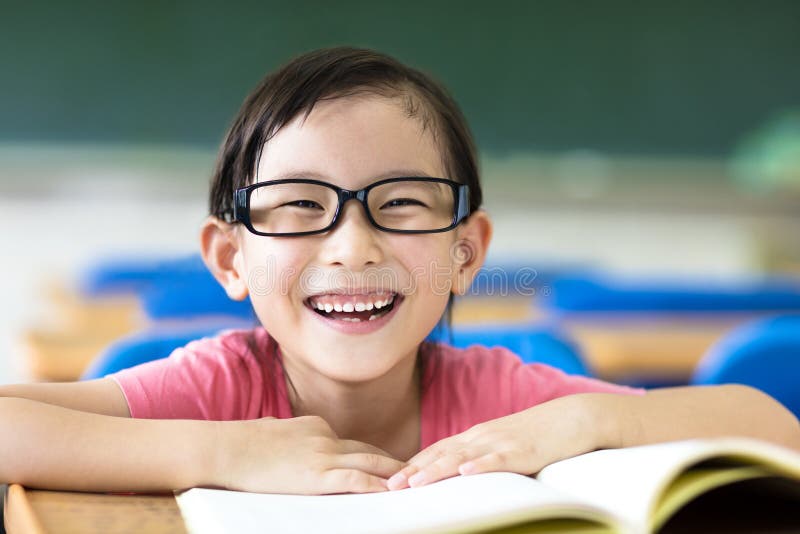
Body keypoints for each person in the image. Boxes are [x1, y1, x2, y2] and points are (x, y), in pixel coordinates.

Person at [1, 47, 798, 497]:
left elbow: (774, 427)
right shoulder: (218, 393)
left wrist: (586, 424)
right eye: (299, 204)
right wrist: (220, 454)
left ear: (467, 253)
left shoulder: (502, 400)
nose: (353, 245)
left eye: (405, 203)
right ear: (230, 258)